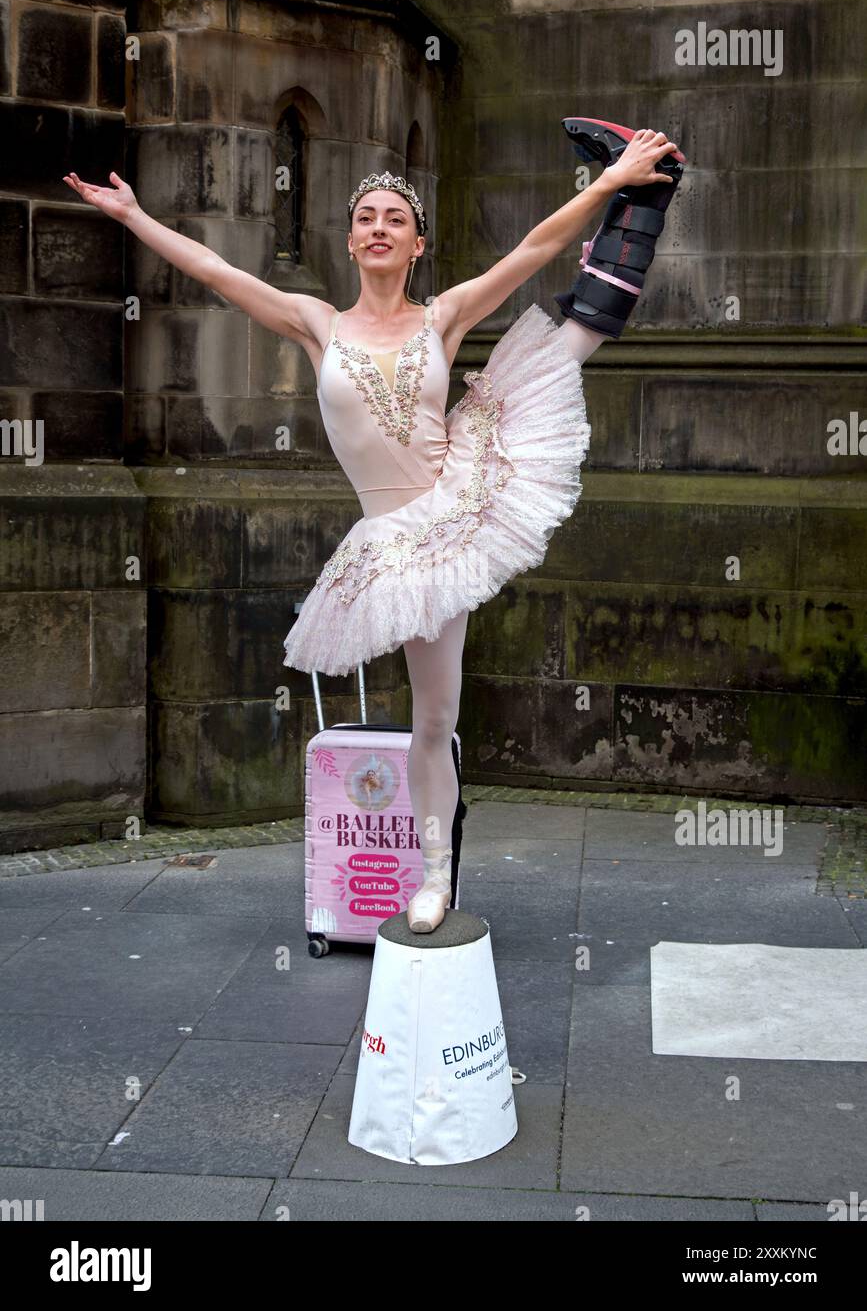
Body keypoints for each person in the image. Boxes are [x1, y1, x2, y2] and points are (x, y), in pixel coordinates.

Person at [63, 120, 684, 934]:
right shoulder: (316, 321)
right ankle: (645, 195)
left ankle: (644, 194)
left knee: (435, 717)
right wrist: (135, 217)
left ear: (416, 243)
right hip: (389, 537)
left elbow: (530, 251)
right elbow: (215, 271)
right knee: (426, 718)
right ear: (351, 243)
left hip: (458, 505)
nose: (379, 227)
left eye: (395, 217)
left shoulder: (445, 316)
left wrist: (607, 185)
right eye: (366, 219)